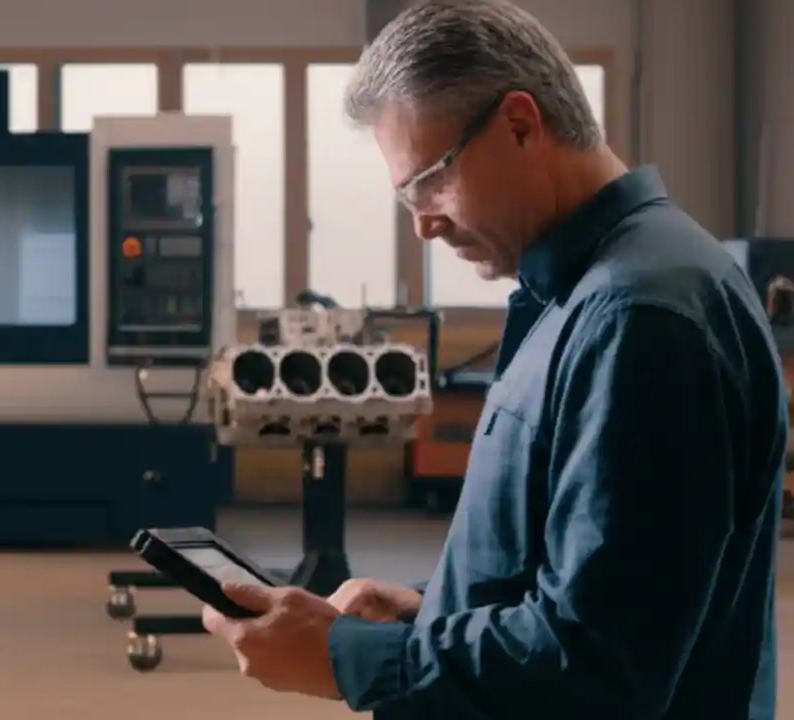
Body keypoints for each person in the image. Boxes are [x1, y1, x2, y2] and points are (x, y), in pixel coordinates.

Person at [200, 1, 787, 718]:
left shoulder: (641, 315)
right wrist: (429, 609)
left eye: (429, 181)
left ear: (519, 125)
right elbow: (586, 580)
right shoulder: (592, 291)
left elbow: (600, 664)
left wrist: (346, 655)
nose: (424, 223)